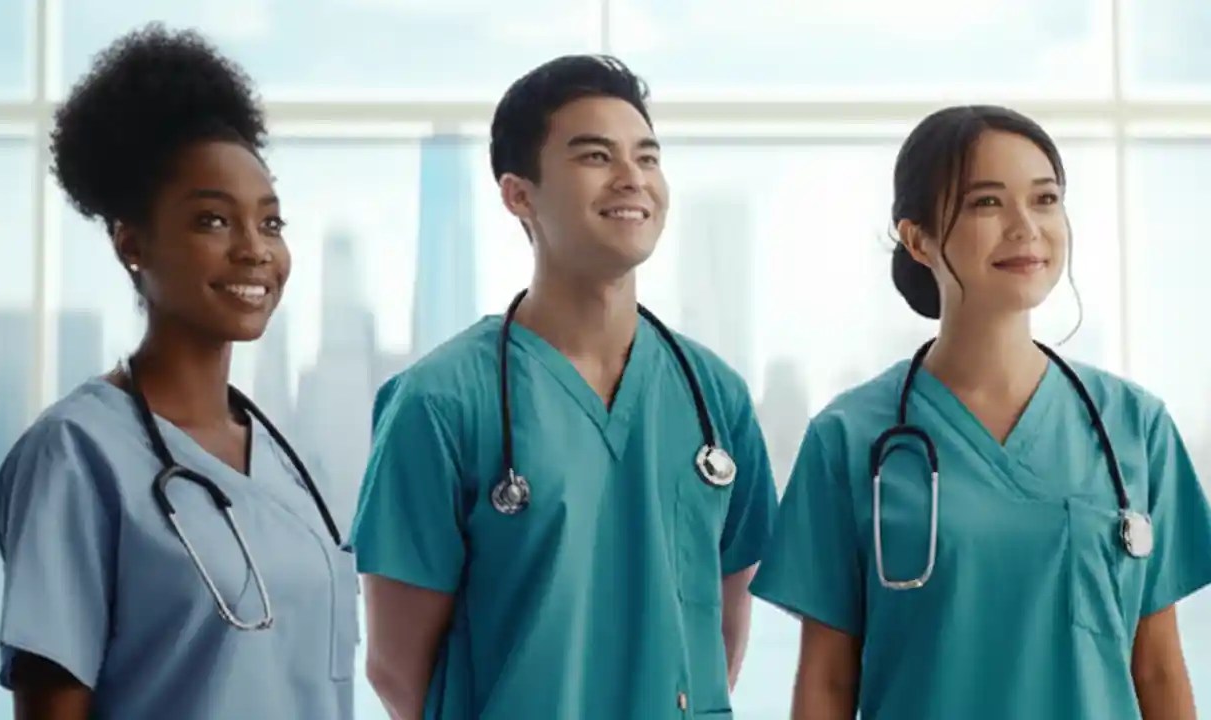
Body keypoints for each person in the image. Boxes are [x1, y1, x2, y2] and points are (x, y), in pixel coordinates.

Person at [750, 105, 1211, 719]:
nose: (1025, 226)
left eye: (1045, 199)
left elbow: (1156, 669)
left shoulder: (1135, 427)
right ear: (918, 239)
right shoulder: (849, 439)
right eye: (987, 203)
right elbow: (828, 683)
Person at [351, 55, 777, 719]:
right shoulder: (439, 402)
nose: (632, 178)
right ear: (519, 194)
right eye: (595, 157)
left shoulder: (713, 395)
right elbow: (396, 668)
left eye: (647, 157)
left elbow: (725, 621)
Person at [0, 25, 356, 720]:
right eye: (214, 221)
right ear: (131, 240)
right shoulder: (76, 454)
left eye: (271, 224)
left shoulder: (278, 459)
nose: (254, 251)